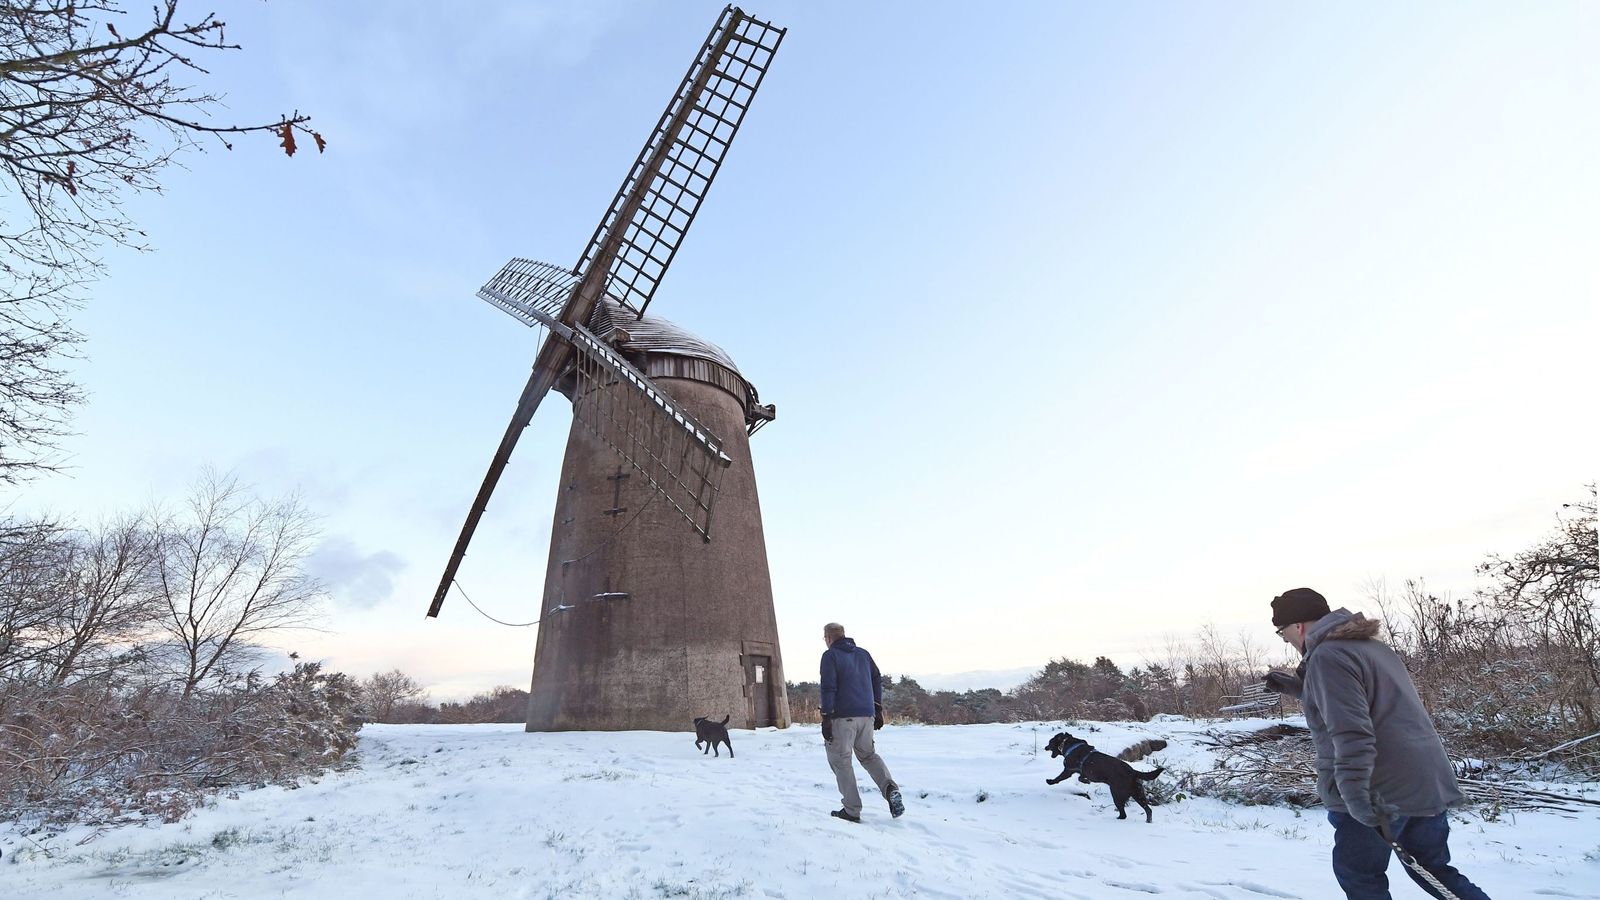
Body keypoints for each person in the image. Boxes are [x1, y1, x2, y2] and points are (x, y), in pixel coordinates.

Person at [1264, 588, 1491, 899]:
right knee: (1433, 869)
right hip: (1424, 779)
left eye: (1282, 631)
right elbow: (1375, 705)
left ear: (1298, 625)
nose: (1286, 639)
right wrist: (1303, 689)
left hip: (1378, 788)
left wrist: (1355, 794)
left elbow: (1352, 730)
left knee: (1360, 874)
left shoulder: (1327, 657)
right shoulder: (1372, 648)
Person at [819, 622, 904, 822]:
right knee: (868, 756)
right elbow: (876, 678)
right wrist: (877, 708)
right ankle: (890, 788)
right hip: (866, 715)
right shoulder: (863, 654)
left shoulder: (830, 656)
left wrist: (826, 717)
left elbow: (828, 687)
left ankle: (851, 809)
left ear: (828, 638)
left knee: (841, 760)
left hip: (842, 716)